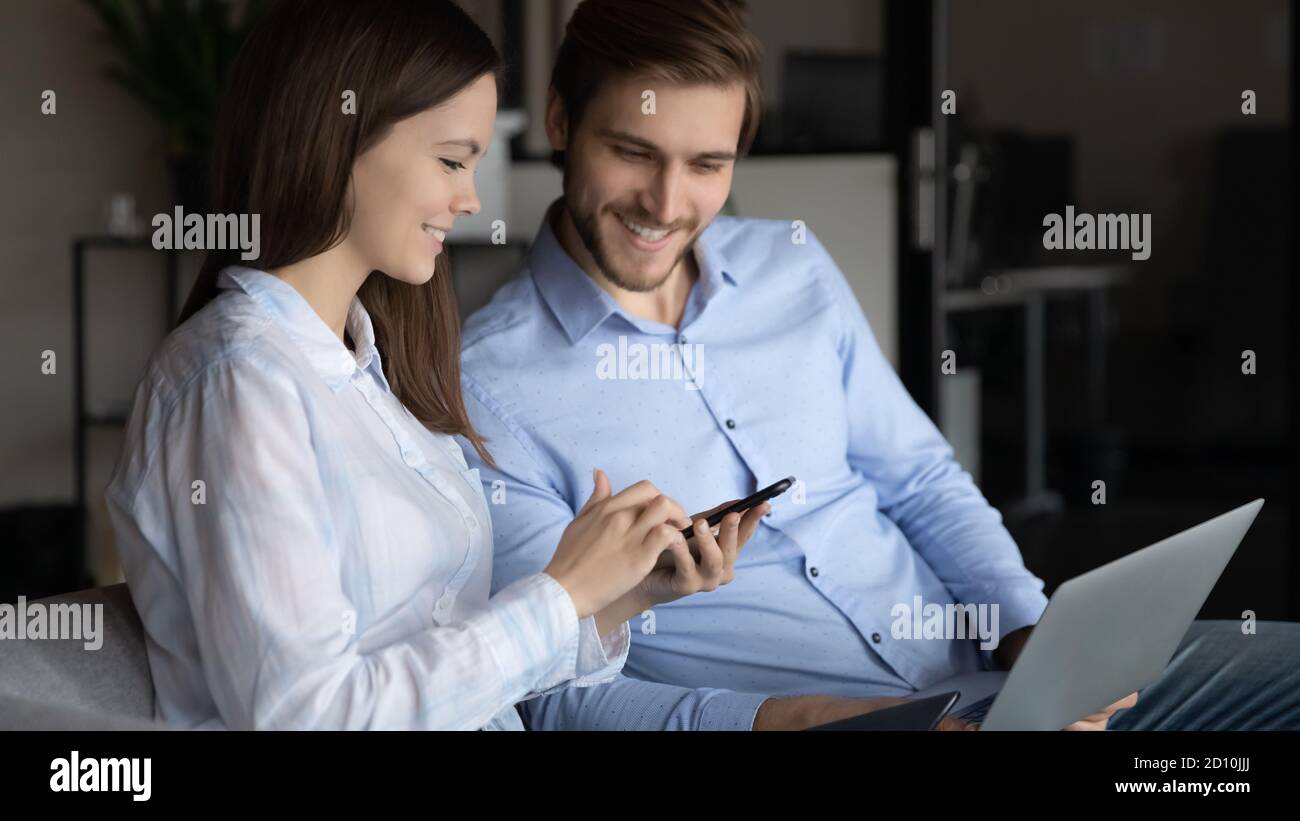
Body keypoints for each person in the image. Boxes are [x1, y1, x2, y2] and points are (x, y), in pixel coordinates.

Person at [459, 0, 1300, 731]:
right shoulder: (486, 385)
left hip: (999, 679)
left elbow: (920, 478)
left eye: (707, 164)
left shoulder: (791, 264)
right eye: (634, 152)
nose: (668, 203)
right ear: (562, 120)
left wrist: (1031, 636)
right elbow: (554, 693)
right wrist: (825, 721)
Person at [105, 0, 760, 731]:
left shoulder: (373, 374)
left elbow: (448, 668)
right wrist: (560, 592)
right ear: (337, 135)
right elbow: (304, 715)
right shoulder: (236, 381)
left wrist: (617, 593)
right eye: (452, 159)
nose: (470, 198)